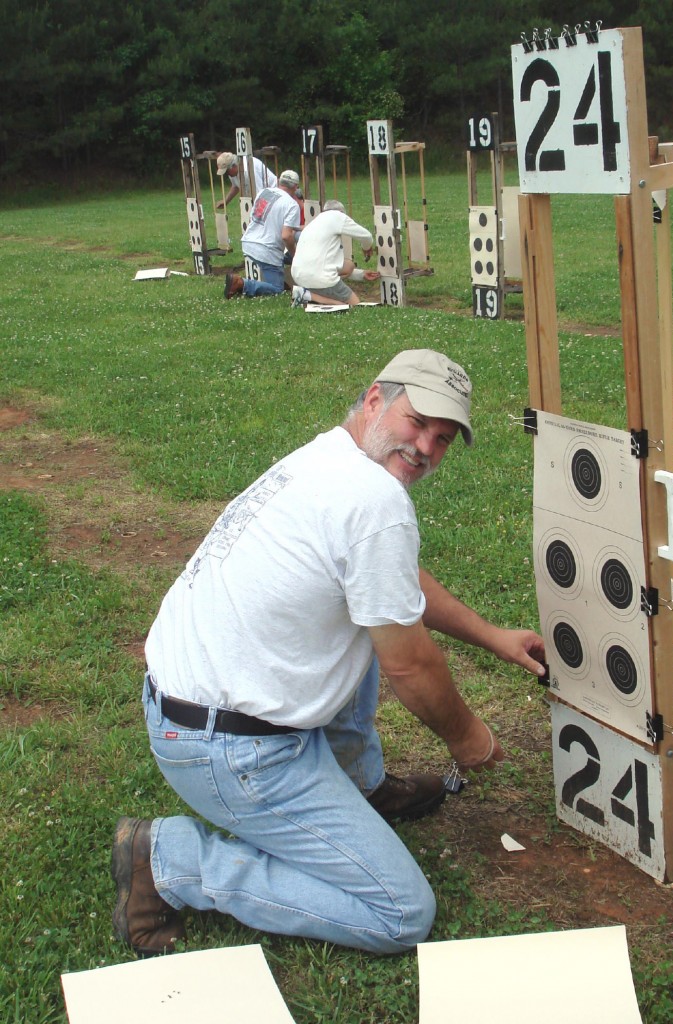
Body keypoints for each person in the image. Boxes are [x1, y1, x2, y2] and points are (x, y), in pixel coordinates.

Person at [111, 348, 545, 957]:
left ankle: (359, 785)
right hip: (233, 750)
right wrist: (469, 739)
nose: (424, 447)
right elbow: (409, 666)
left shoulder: (330, 455)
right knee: (399, 914)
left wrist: (492, 635)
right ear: (375, 400)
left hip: (191, 708)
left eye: (442, 438)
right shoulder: (374, 502)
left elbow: (392, 581)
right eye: (416, 422)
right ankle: (169, 862)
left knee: (366, 611)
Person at [223, 170, 301, 299]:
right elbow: (286, 236)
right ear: (295, 187)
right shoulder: (292, 205)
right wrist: (296, 256)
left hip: (249, 242)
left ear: (279, 182)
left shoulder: (263, 192)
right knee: (277, 289)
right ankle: (241, 283)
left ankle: (280, 279)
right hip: (267, 250)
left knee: (281, 263)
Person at [290, 199, 381, 308]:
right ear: (342, 212)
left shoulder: (313, 224)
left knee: (349, 266)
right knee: (356, 305)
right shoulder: (338, 216)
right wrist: (366, 248)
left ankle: (308, 295)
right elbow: (366, 236)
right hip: (320, 277)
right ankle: (308, 296)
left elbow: (330, 265)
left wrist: (361, 275)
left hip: (299, 276)